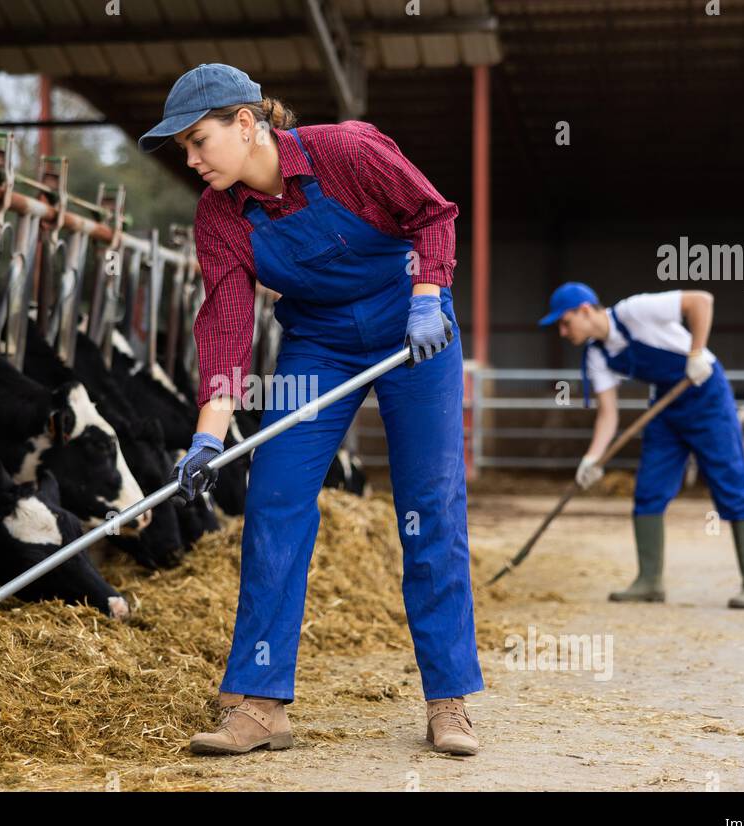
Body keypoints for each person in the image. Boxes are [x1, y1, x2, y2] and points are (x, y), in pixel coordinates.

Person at [139, 63, 485, 756]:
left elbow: (434, 214)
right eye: (183, 148)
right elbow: (228, 328)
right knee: (275, 495)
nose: (193, 158)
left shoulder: (346, 151)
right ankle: (262, 705)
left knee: (429, 503)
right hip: (319, 343)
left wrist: (426, 298)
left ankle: (449, 701)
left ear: (246, 123)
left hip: (411, 327)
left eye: (199, 140)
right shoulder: (220, 217)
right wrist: (208, 439)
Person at [538, 281, 744, 609]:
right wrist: (592, 459)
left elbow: (701, 301)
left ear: (585, 311)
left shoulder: (635, 311)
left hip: (706, 393)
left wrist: (696, 353)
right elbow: (608, 414)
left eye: (565, 322)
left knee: (730, 484)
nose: (562, 331)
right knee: (648, 490)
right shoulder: (597, 355)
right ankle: (649, 582)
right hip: (666, 407)